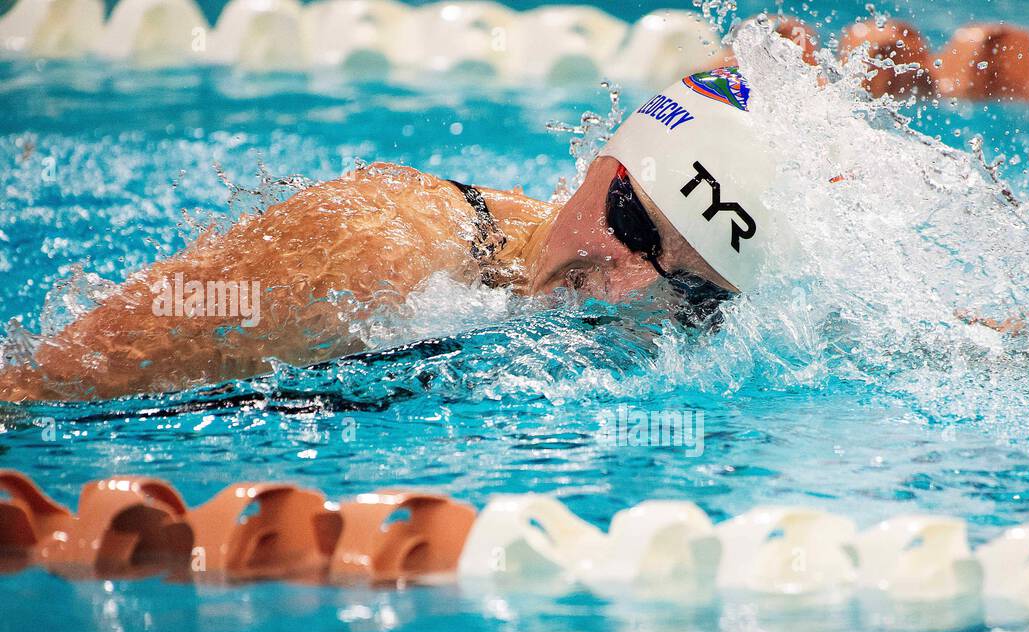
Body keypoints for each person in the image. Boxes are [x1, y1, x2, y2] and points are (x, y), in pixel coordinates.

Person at [0, 67, 774, 402]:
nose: (631, 282)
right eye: (632, 222)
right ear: (599, 159)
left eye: (693, 292)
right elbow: (55, 378)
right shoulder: (376, 250)